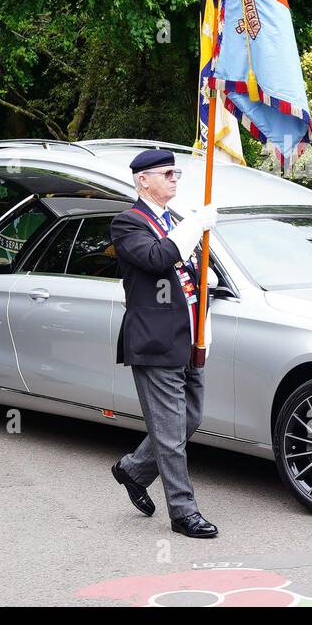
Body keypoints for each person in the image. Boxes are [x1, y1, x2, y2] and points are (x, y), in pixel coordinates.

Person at [109, 149, 219, 538]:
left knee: (190, 418)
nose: (175, 179)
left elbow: (184, 272)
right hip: (155, 343)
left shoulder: (172, 220)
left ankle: (134, 469)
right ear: (143, 180)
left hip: (188, 338)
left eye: (176, 174)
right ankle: (183, 512)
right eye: (168, 174)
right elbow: (158, 259)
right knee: (171, 432)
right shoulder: (128, 223)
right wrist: (195, 226)